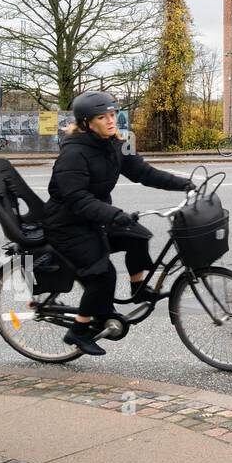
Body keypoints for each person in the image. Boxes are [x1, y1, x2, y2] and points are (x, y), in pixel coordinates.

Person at [43, 90, 194, 355]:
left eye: (112, 115)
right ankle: (79, 330)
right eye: (102, 117)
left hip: (97, 215)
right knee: (103, 276)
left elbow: (143, 173)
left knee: (137, 235)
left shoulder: (114, 143)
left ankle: (138, 287)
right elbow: (77, 199)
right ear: (87, 123)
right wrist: (114, 214)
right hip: (67, 224)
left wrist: (185, 184)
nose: (111, 121)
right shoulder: (74, 154)